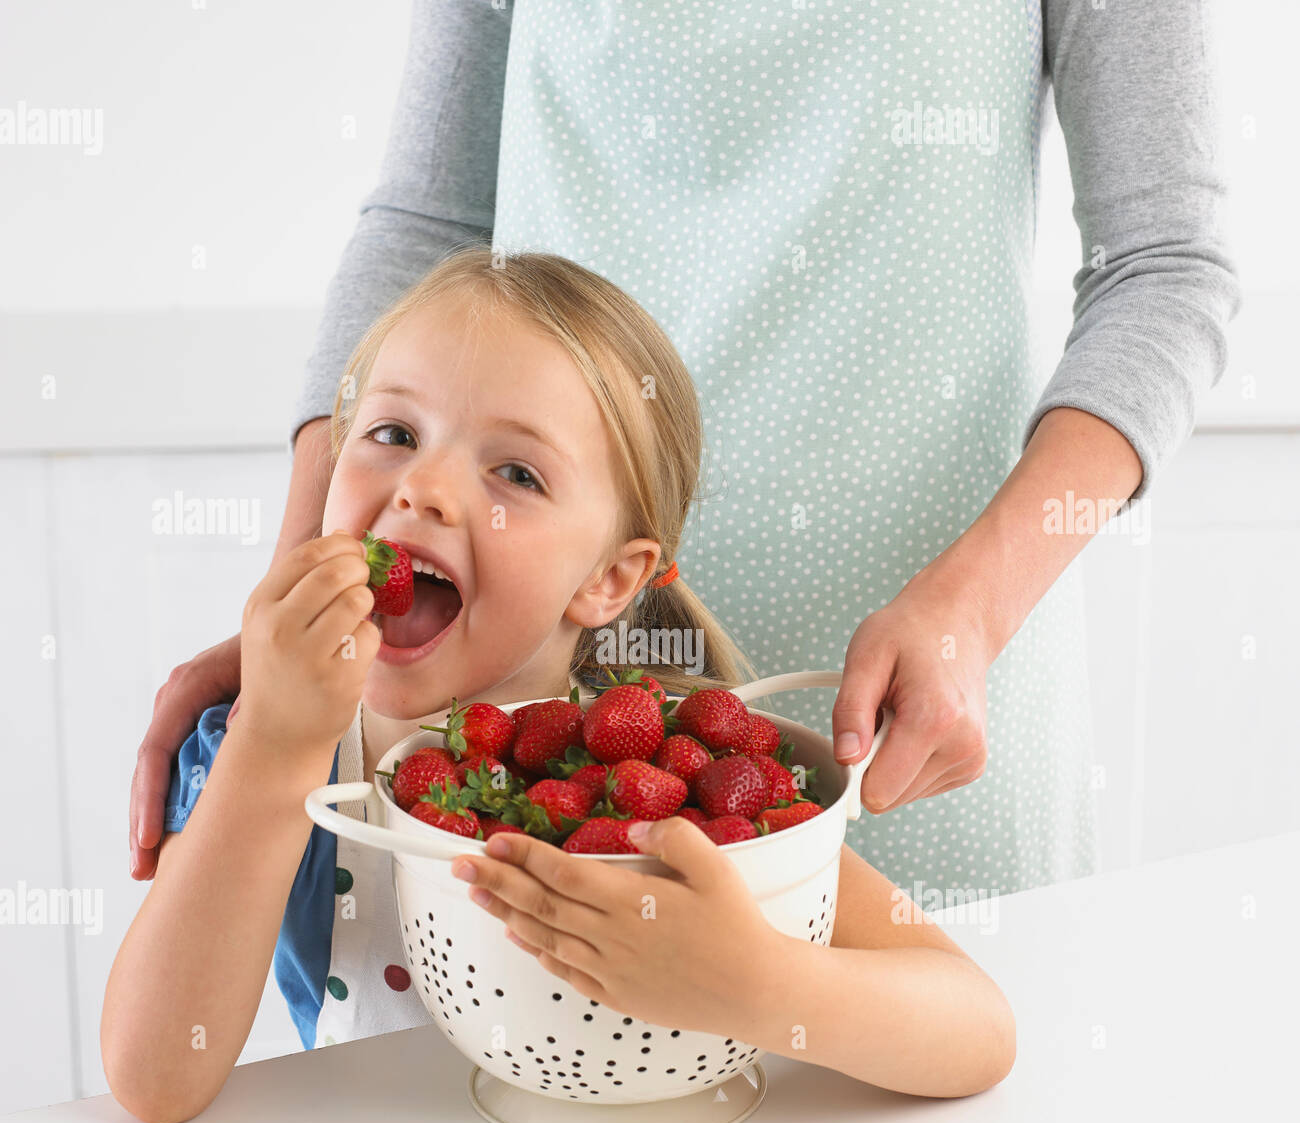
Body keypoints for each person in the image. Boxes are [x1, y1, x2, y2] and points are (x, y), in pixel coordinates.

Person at [129, 0, 1240, 902]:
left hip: (924, 695)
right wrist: (307, 586)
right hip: (541, 686)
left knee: (918, 1094)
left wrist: (974, 610)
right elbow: (430, 219)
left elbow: (1166, 266)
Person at [102, 249, 1016, 1123]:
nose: (421, 487)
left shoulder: (665, 775)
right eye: (392, 433)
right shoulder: (250, 752)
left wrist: (763, 986)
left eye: (516, 473)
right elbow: (153, 1079)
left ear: (611, 579)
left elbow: (976, 1026)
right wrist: (274, 743)